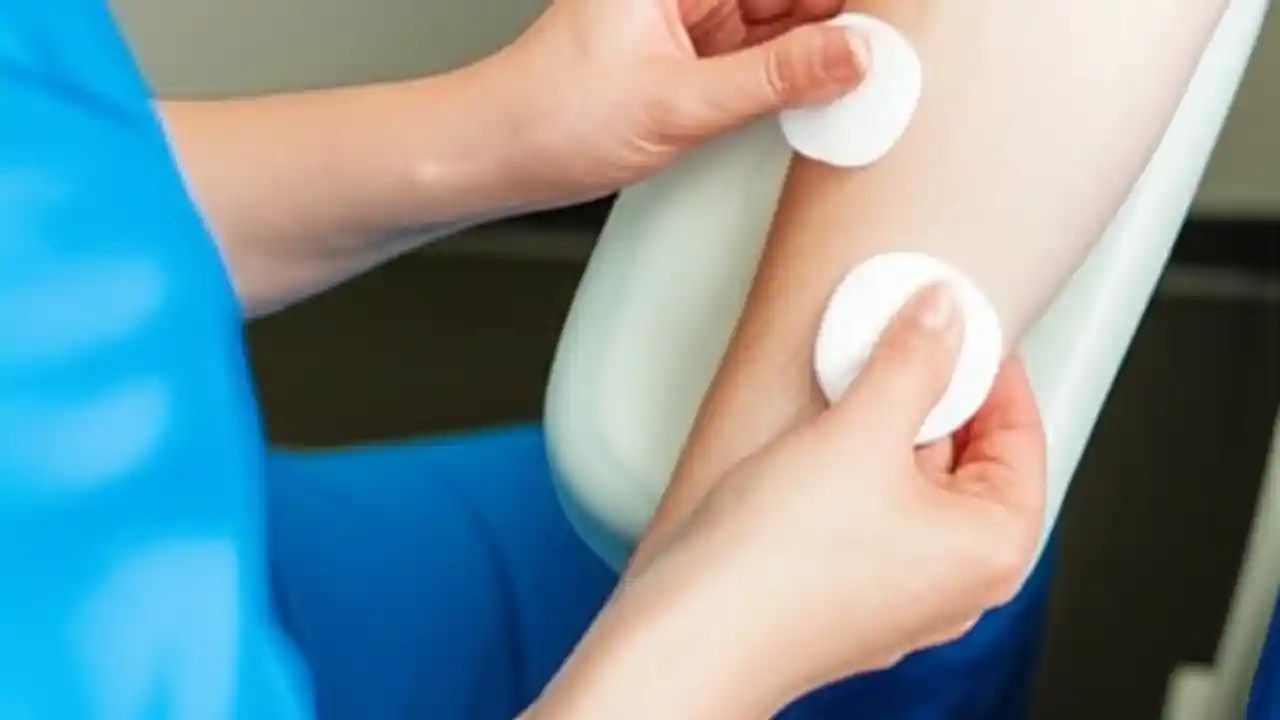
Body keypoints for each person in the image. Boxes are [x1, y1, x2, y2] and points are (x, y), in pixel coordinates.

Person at [1, 0, 1043, 718]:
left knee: (948, 588)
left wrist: (488, 133)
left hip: (173, 541)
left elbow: (43, 202)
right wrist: (721, 640)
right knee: (926, 575)